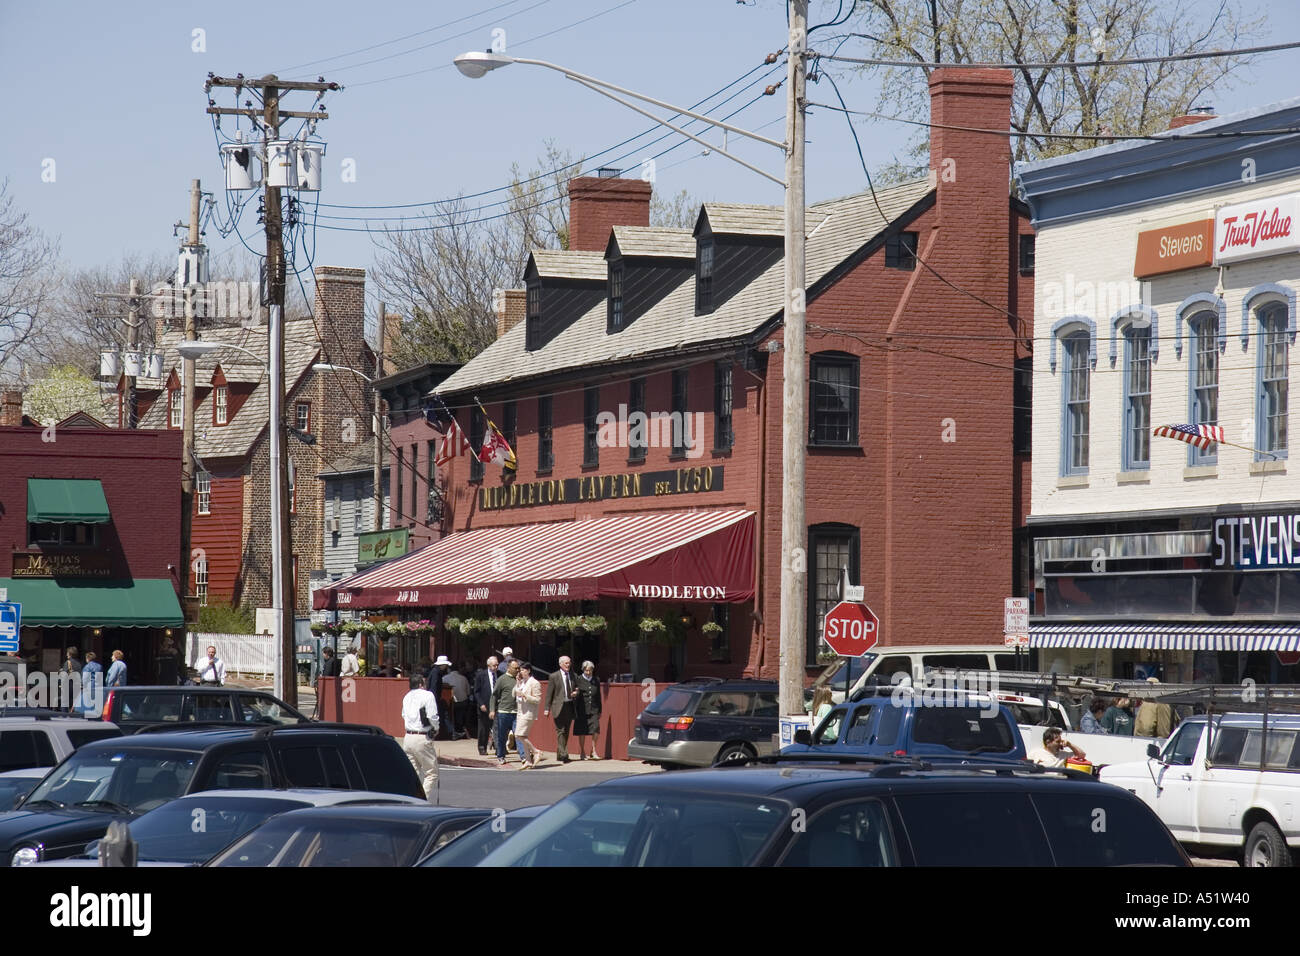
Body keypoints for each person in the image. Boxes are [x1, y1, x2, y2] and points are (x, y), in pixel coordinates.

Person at [400, 674, 440, 801]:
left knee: (413, 773)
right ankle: (421, 800)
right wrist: (436, 728)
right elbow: (432, 715)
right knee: (431, 773)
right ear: (421, 684)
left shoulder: (406, 697)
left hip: (408, 736)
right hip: (421, 737)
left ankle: (409, 798)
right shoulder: (427, 695)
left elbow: (403, 715)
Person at [544, 655, 580, 763]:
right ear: (560, 664)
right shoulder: (554, 676)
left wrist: (576, 693)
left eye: (569, 663)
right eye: (566, 663)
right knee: (560, 730)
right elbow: (549, 694)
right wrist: (547, 708)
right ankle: (564, 754)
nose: (568, 665)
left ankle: (560, 754)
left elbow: (577, 688)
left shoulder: (573, 675)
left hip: (569, 705)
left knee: (566, 731)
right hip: (558, 706)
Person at [513, 661, 544, 769]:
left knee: (518, 735)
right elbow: (514, 693)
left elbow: (538, 699)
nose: (521, 672)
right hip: (520, 712)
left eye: (523, 670)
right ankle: (528, 760)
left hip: (528, 713)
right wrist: (517, 683)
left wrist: (525, 695)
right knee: (522, 736)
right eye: (520, 670)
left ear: (528, 671)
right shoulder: (522, 682)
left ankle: (536, 751)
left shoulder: (534, 683)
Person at [489, 659, 518, 766]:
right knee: (501, 736)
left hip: (516, 712)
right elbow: (494, 695)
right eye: (515, 668)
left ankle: (524, 756)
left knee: (518, 734)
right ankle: (501, 755)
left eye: (518, 668)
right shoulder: (502, 679)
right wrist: (492, 710)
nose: (517, 670)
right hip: (503, 712)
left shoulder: (518, 679)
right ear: (508, 668)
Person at [573, 660, 602, 760]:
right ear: (583, 670)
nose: (588, 673)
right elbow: (575, 693)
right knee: (582, 731)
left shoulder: (596, 680)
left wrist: (600, 710)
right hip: (581, 709)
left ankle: (593, 750)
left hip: (594, 708)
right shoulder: (578, 679)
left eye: (590, 670)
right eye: (586, 671)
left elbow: (598, 696)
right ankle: (582, 751)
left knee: (596, 729)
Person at [473, 656, 499, 756]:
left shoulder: (500, 674)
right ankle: (482, 747)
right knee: (484, 728)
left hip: (497, 705)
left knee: (497, 728)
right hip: (485, 706)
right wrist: (481, 704)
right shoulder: (481, 675)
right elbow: (476, 691)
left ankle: (498, 748)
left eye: (497, 665)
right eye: (494, 665)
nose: (496, 667)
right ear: (488, 666)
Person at [443, 661, 471, 740]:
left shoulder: (445, 678)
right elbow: (468, 692)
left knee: (448, 715)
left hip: (451, 703)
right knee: (460, 715)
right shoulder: (464, 678)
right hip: (463, 702)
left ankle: (453, 730)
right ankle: (459, 729)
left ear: (449, 669)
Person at [76, 651, 101, 715]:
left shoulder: (87, 667)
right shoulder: (99, 666)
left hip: (89, 687)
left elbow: (85, 678)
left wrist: (82, 686)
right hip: (98, 687)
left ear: (88, 658)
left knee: (88, 703)